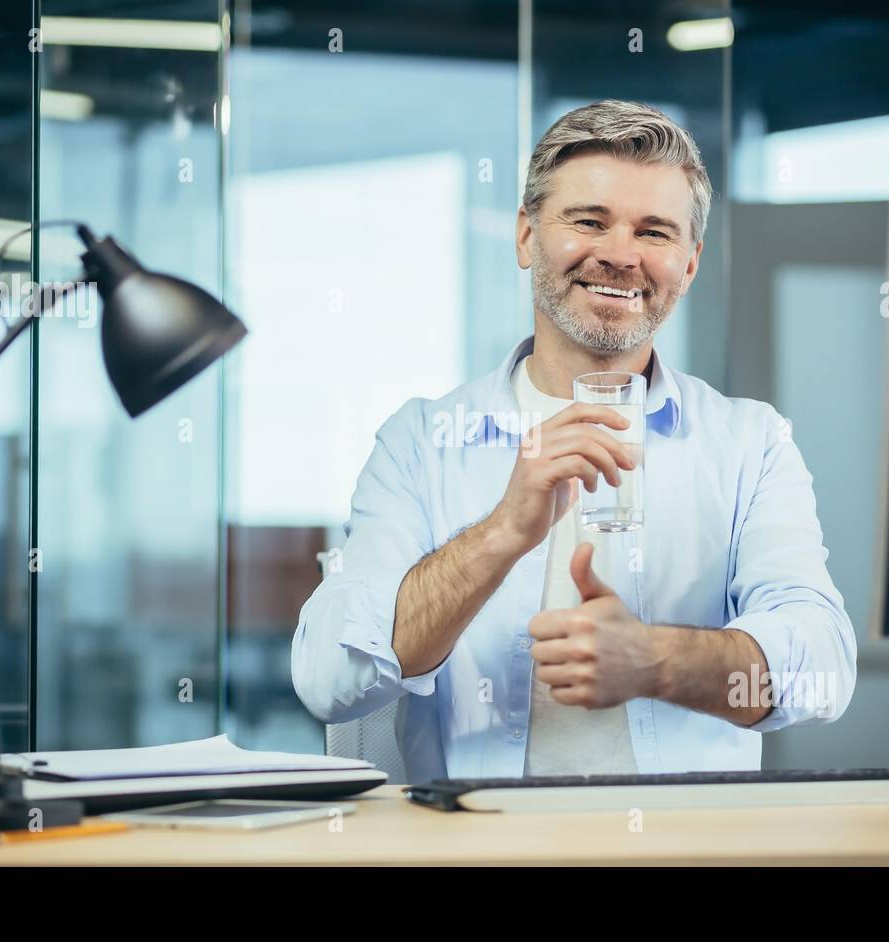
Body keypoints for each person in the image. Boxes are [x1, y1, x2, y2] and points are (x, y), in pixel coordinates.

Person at [292, 99, 856, 781]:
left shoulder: (750, 444)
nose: (619, 255)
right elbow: (328, 679)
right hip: (477, 835)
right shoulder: (420, 443)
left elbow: (824, 671)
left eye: (654, 231)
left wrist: (654, 660)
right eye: (589, 221)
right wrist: (502, 533)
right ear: (526, 236)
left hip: (685, 838)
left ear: (689, 264)